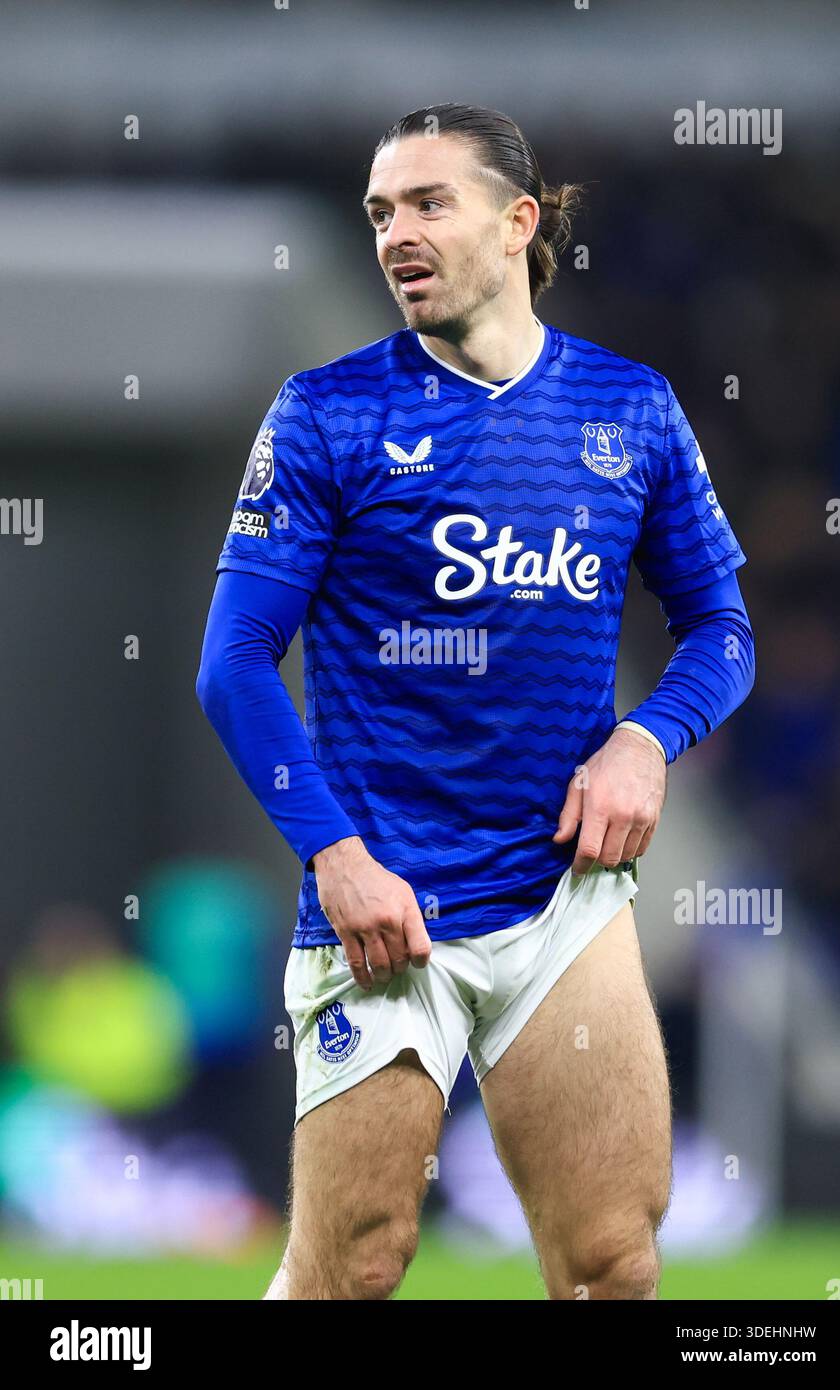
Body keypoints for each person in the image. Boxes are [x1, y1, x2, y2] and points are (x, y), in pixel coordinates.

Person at [197, 103, 755, 1300]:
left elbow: (721, 629)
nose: (394, 232)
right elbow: (234, 659)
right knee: (354, 1264)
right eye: (378, 212)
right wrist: (333, 855)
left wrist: (646, 740)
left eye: (425, 203)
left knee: (612, 1265)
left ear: (517, 222)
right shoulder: (329, 412)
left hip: (562, 899)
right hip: (388, 900)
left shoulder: (629, 410)